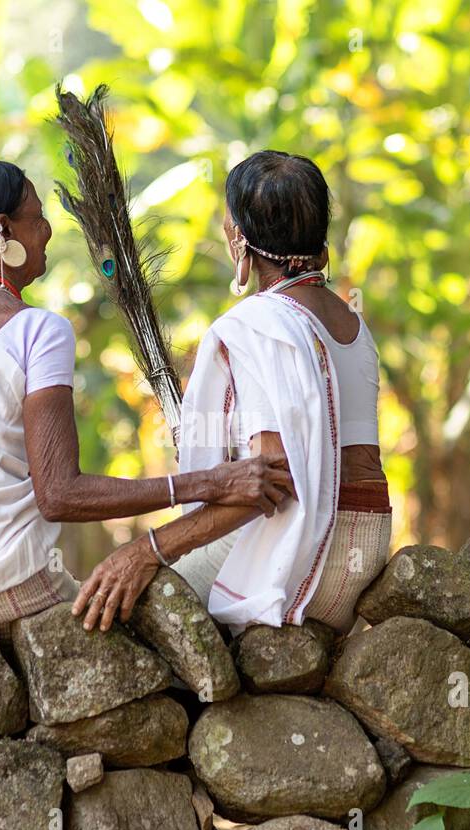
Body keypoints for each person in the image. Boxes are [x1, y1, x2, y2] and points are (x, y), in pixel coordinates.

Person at [0, 159, 292, 628]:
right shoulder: (38, 330)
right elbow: (59, 494)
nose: (48, 230)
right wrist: (211, 483)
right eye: (36, 218)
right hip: (2, 588)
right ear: (1, 232)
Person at [73, 150, 391, 636]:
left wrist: (148, 549)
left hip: (307, 546)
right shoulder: (353, 323)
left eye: (227, 221)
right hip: (364, 542)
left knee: (132, 618)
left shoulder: (260, 323)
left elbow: (272, 483)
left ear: (240, 238)